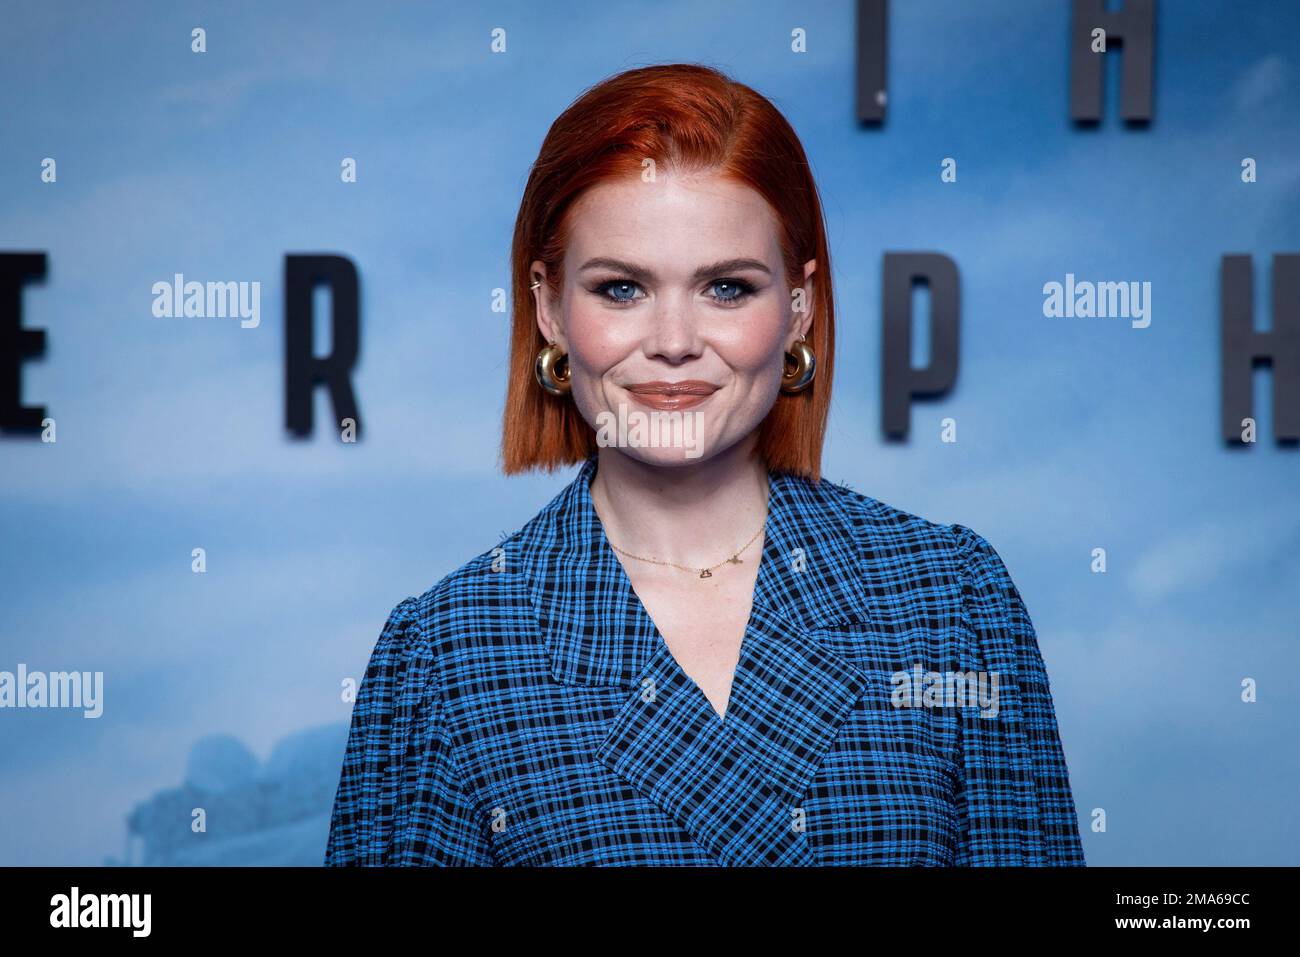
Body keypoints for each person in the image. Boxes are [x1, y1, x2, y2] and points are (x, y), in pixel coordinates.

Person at [325, 63, 1085, 866]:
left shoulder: (951, 600)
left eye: (725, 288)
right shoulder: (446, 656)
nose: (675, 342)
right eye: (622, 289)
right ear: (548, 306)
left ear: (799, 308)